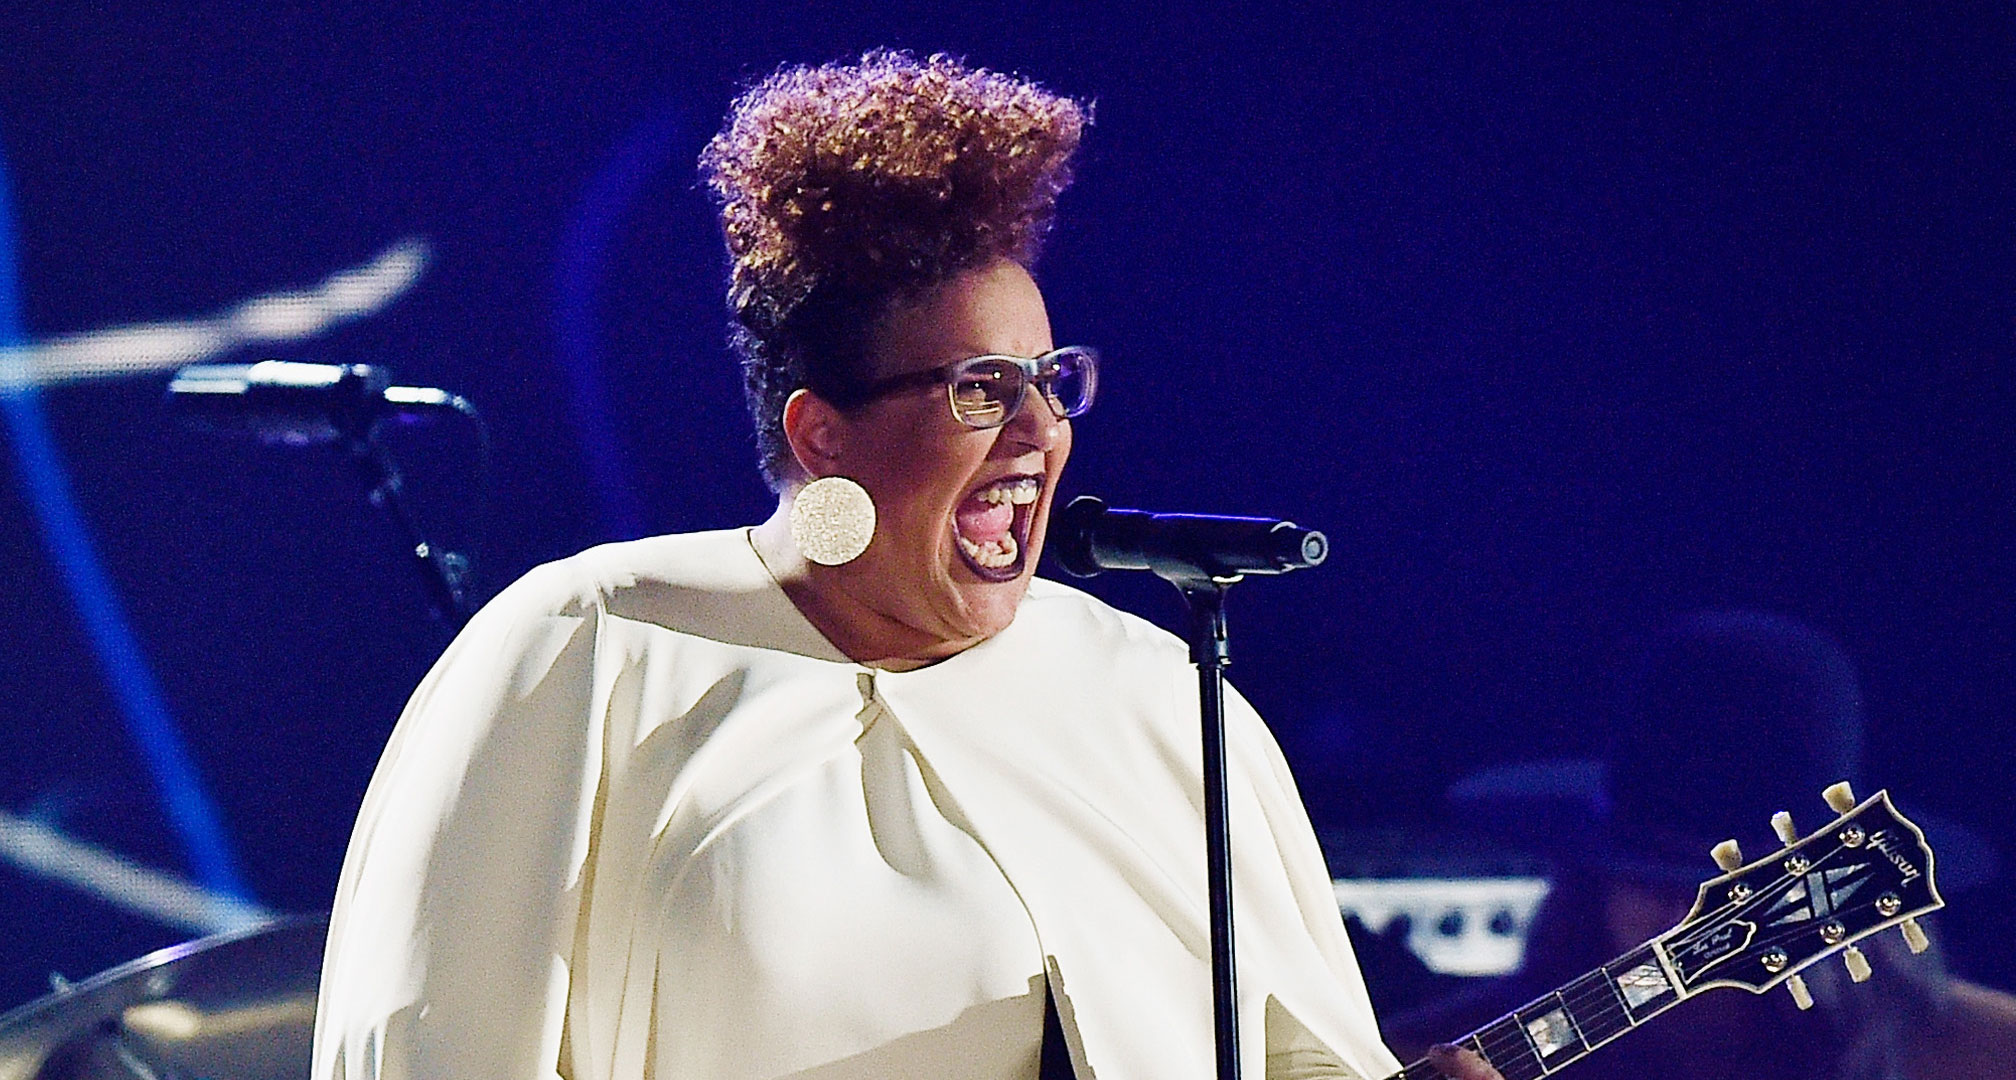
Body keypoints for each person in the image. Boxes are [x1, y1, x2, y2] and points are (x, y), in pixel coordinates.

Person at [310, 52, 1499, 1080]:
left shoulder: (1159, 700)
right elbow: (426, 1045)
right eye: (983, 389)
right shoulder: (589, 647)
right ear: (821, 433)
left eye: (1052, 380)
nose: (1040, 436)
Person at [1384, 610, 2016, 1078]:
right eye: (1650, 878)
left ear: (1830, 905)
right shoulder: (1427, 1050)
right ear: (1592, 880)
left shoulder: (1985, 1056)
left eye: (1743, 889)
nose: (1690, 919)